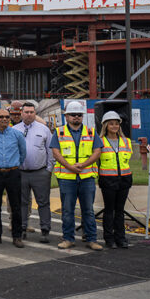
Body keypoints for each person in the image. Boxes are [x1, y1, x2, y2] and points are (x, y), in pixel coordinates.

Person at [51, 101, 103, 251]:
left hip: (86, 178)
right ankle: (68, 239)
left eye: (79, 115)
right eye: (73, 115)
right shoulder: (59, 132)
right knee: (68, 210)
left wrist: (84, 164)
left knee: (88, 210)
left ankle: (91, 239)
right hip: (67, 178)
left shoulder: (91, 132)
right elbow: (55, 152)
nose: (76, 117)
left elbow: (97, 151)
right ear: (66, 117)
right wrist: (69, 167)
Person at [0, 108, 26, 248]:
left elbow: (22, 154)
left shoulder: (17, 135)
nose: (4, 119)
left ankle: (17, 236)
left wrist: (13, 165)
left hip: (13, 173)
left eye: (7, 117)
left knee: (16, 206)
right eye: (1, 117)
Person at [12, 102, 54, 243]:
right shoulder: (15, 130)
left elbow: (50, 150)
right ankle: (22, 229)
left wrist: (49, 169)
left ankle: (45, 230)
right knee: (22, 202)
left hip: (40, 172)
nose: (29, 114)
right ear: (21, 113)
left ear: (35, 113)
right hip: (21, 172)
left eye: (32, 112)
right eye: (26, 112)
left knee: (43, 202)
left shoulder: (44, 129)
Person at [98, 111, 133, 249]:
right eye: (111, 124)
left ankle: (121, 238)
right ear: (105, 125)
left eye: (117, 124)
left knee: (120, 210)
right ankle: (109, 238)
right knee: (109, 210)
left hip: (124, 180)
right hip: (108, 180)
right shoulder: (100, 141)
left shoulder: (126, 141)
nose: (114, 126)